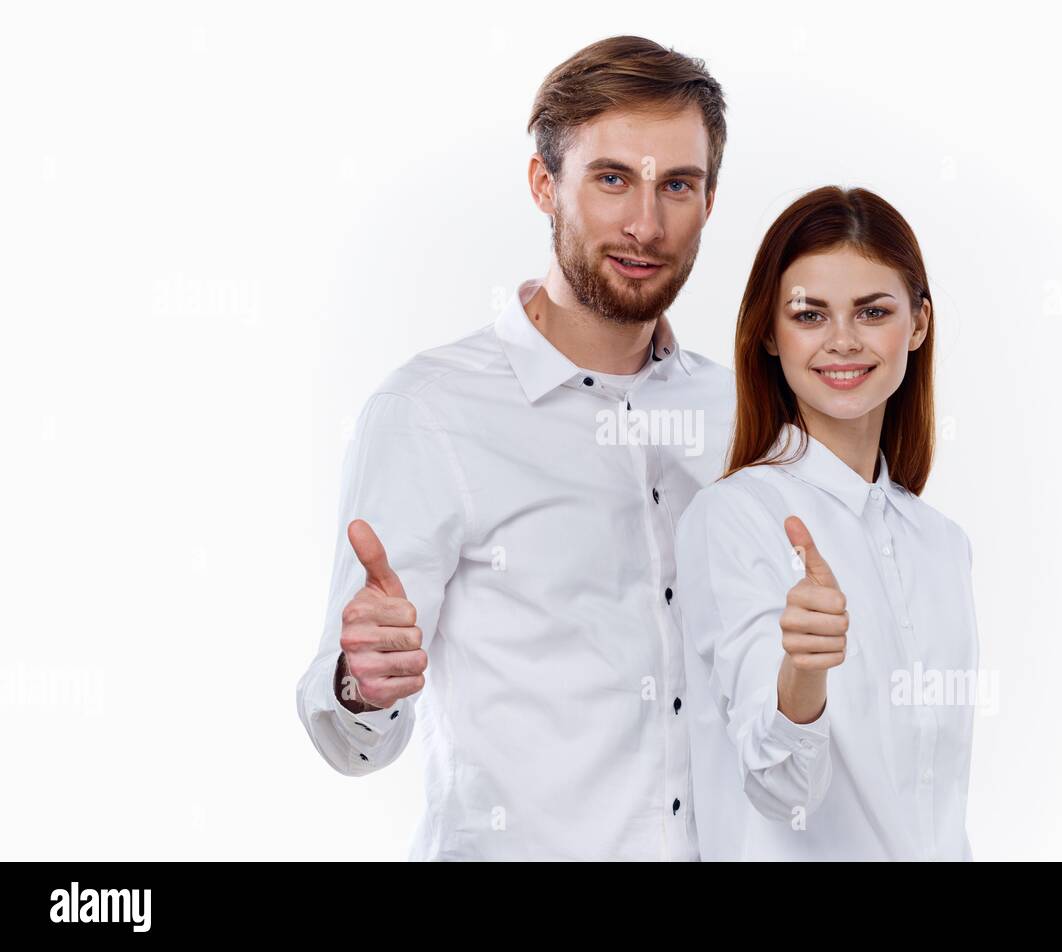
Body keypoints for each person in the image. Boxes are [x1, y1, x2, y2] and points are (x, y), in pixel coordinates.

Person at [295, 35, 735, 860]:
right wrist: (362, 682)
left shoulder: (738, 414)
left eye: (677, 184)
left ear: (709, 200)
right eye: (612, 179)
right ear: (544, 184)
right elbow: (348, 736)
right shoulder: (431, 413)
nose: (647, 223)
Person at [675, 186, 980, 860]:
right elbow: (782, 792)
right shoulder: (733, 518)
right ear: (769, 334)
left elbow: (934, 807)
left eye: (873, 311)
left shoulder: (942, 544)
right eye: (809, 315)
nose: (843, 341)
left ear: (919, 323)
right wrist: (802, 675)